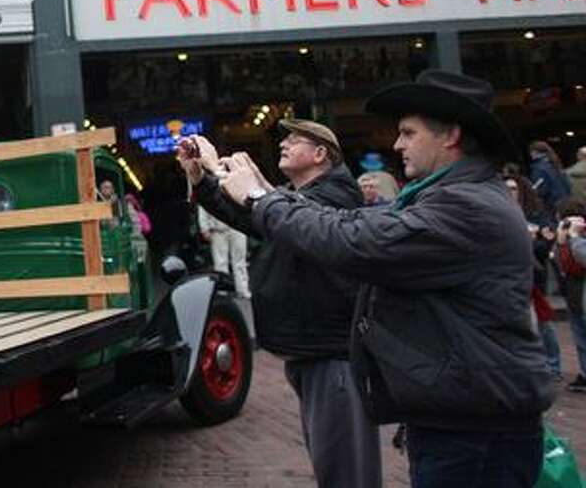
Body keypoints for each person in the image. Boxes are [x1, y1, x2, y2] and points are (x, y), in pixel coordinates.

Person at [216, 70, 555, 488]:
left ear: (450, 135)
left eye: (408, 133)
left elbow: (348, 239)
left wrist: (260, 196)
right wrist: (258, 194)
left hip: (475, 433)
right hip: (463, 421)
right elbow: (346, 224)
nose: (398, 145)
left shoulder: (464, 206)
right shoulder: (451, 196)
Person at [180, 119, 370, 488]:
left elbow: (281, 212)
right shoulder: (300, 197)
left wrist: (231, 176)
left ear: (320, 155)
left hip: (332, 357)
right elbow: (249, 215)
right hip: (312, 353)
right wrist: (202, 179)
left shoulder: (335, 195)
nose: (283, 144)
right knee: (332, 461)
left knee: (346, 469)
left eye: (294, 140)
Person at [554, 199, 586, 393]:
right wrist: (560, 241)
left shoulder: (579, 236)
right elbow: (559, 264)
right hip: (573, 292)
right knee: (580, 336)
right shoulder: (566, 235)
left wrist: (575, 237)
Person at [196, 205, 251, 298]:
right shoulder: (210, 190)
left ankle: (242, 290)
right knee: (220, 262)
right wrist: (204, 228)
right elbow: (203, 206)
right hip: (218, 230)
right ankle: (222, 290)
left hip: (238, 227)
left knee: (240, 260)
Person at [529, 140, 573, 212]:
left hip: (552, 206)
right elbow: (568, 185)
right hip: (566, 203)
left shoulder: (539, 168)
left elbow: (539, 190)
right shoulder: (556, 165)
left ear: (534, 152)